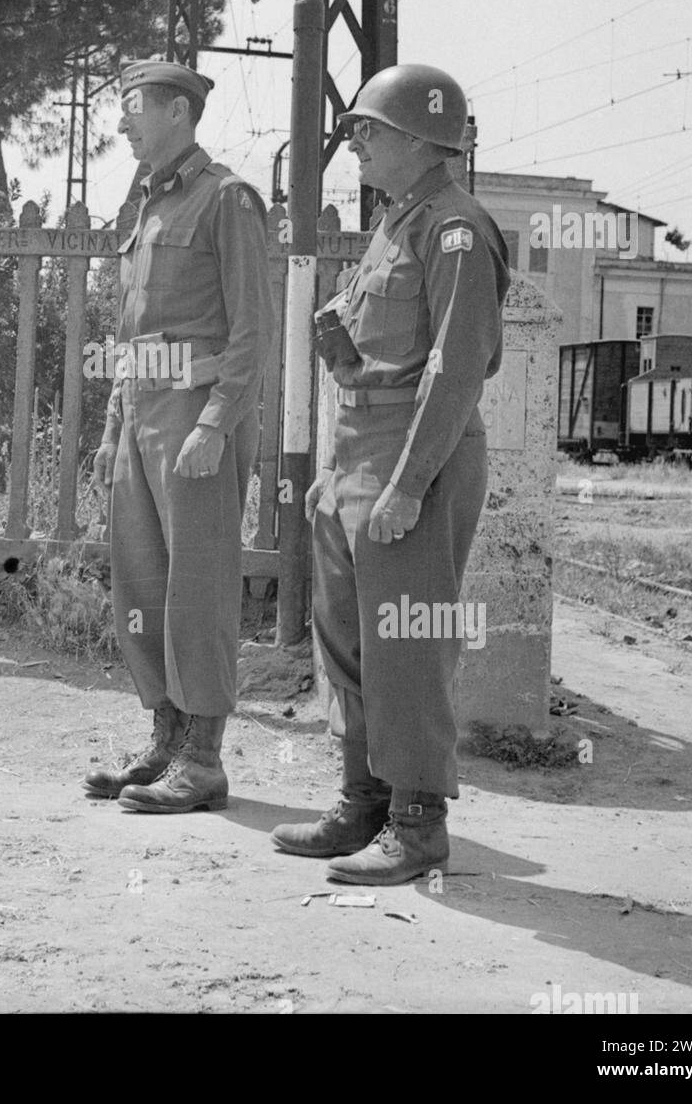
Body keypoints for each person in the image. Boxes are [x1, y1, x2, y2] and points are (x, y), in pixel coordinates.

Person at [270, 63, 509, 883]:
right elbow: (370, 364)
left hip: (418, 457)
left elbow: (454, 368)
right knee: (346, 641)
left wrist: (407, 484)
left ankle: (417, 827)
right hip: (360, 456)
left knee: (406, 643)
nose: (356, 147)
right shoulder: (394, 225)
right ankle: (361, 801)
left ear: (414, 140)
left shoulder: (456, 231)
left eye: (367, 133)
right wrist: (334, 473)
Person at [85, 60, 275, 814]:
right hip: (140, 414)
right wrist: (109, 428)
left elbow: (252, 331)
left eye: (134, 108)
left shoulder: (226, 200)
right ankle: (165, 738)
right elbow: (131, 333)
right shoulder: (147, 206)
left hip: (194, 416)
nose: (124, 122)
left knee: (198, 588)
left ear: (177, 111)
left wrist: (214, 421)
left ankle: (204, 760)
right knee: (144, 584)